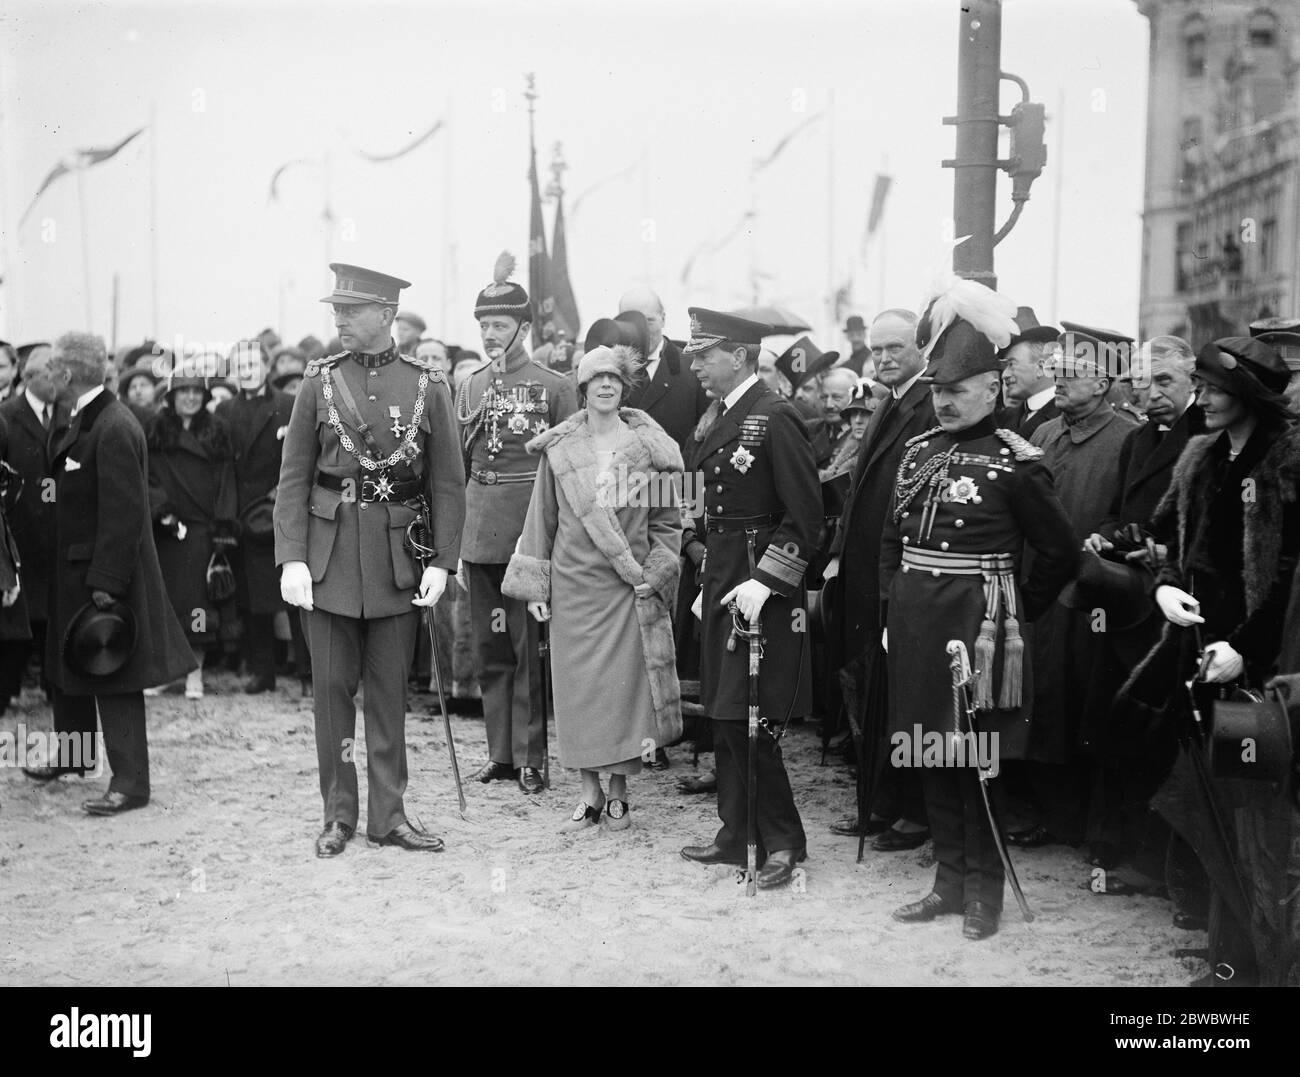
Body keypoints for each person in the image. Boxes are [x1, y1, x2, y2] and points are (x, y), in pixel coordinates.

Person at [882, 287, 1077, 940]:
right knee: (929, 753)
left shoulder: (1015, 463)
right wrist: (891, 612)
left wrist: (1017, 612)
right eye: (938, 389)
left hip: (982, 631)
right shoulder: (917, 453)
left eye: (957, 390)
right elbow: (891, 541)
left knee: (979, 762)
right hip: (918, 627)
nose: (944, 401)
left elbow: (1060, 551)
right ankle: (947, 883)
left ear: (992, 388)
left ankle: (982, 896)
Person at [1126, 334, 1300, 985]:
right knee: (1218, 806)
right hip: (1201, 655)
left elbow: (1289, 578)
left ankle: (1263, 963)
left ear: (1249, 395)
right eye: (1198, 385)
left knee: (1260, 819)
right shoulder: (1200, 455)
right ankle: (1232, 952)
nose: (1201, 398)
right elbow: (1162, 539)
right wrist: (1164, 586)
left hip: (1263, 670)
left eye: (1214, 388)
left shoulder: (1288, 461)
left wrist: (1246, 647)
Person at [276, 263, 465, 857]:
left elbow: (447, 484)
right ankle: (338, 814)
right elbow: (294, 478)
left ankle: (389, 816)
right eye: (336, 310)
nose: (340, 319)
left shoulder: (428, 384)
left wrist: (443, 563)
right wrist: (291, 558)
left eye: (351, 310)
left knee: (388, 694)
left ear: (386, 315)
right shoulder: (319, 381)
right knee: (332, 694)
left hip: (396, 559)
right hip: (329, 561)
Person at [503, 345, 684, 830]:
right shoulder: (559, 448)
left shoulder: (652, 447)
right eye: (595, 379)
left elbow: (669, 521)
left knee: (623, 695)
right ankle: (589, 793)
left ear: (624, 388)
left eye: (613, 379)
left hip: (626, 588)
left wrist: (655, 574)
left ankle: (619, 790)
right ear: (582, 389)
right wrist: (536, 588)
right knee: (578, 693)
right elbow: (540, 519)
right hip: (572, 587)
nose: (605, 385)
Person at [679, 307, 822, 889]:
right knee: (724, 712)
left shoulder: (774, 415)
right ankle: (735, 831)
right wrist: (708, 575)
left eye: (704, 355)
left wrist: (768, 579)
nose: (695, 366)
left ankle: (783, 841)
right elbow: (711, 511)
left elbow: (806, 517)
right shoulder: (721, 415)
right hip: (724, 576)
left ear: (739, 355)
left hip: (760, 583)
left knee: (750, 717)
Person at [24, 332, 193, 813]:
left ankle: (131, 785)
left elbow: (125, 514)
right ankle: (74, 756)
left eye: (51, 369)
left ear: (67, 374)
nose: (45, 376)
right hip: (75, 573)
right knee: (70, 667)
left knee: (114, 671)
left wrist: (107, 583)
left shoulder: (114, 426)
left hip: (103, 578)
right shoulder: (83, 417)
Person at [456, 253, 577, 796]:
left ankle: (531, 757)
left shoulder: (553, 386)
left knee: (530, 650)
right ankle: (499, 755)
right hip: (480, 531)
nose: (489, 334)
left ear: (524, 328)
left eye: (500, 324)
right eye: (483, 324)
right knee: (491, 647)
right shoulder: (469, 386)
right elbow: (458, 468)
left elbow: (569, 471)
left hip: (530, 531)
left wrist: (555, 540)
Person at [1010, 323, 1133, 850]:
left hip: (1088, 598)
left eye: (1073, 371)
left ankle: (1080, 822)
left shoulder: (1126, 439)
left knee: (1078, 697)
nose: (1058, 378)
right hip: (1035, 588)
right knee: (1038, 694)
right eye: (1056, 368)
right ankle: (1047, 811)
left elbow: (1124, 516)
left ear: (1103, 383)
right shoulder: (1042, 434)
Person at [823, 307, 935, 847]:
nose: (884, 358)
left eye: (895, 347)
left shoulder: (929, 403)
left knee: (901, 693)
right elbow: (858, 489)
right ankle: (881, 803)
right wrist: (838, 554)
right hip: (865, 569)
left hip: (901, 572)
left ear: (921, 348)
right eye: (877, 349)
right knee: (871, 692)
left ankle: (912, 813)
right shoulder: (888, 401)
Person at [146, 358, 239, 700]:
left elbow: (227, 481)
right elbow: (146, 477)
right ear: (171, 396)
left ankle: (194, 674)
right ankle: (167, 672)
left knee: (199, 605)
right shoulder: (154, 430)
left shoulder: (217, 430)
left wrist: (223, 527)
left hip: (202, 531)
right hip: (167, 530)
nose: (190, 397)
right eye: (183, 391)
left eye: (196, 392)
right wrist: (162, 511)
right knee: (167, 604)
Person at [215, 339, 299, 695]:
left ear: (267, 366)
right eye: (241, 365)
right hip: (244, 514)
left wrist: (282, 492)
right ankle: (263, 672)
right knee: (254, 596)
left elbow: (301, 456)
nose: (247, 371)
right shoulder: (224, 411)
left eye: (253, 364)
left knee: (295, 593)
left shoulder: (288, 405)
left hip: (280, 509)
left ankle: (308, 673)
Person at [0, 341, 68, 711]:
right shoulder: (7, 415)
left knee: (55, 615)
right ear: (29, 376)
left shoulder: (70, 413)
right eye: (50, 374)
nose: (58, 381)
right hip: (20, 530)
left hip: (59, 531)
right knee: (18, 618)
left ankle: (55, 686)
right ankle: (7, 689)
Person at [617, 286, 710, 449]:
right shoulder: (609, 370)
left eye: (648, 321)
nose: (641, 330)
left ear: (663, 319)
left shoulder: (693, 368)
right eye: (632, 322)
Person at [997, 308, 1060, 436]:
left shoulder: (1068, 417)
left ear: (1041, 368)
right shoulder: (1006, 418)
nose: (1004, 375)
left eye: (1011, 364)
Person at [839, 315, 875, 379]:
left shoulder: (872, 359)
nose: (856, 339)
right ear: (847, 336)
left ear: (864, 334)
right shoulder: (845, 366)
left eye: (859, 334)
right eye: (852, 335)